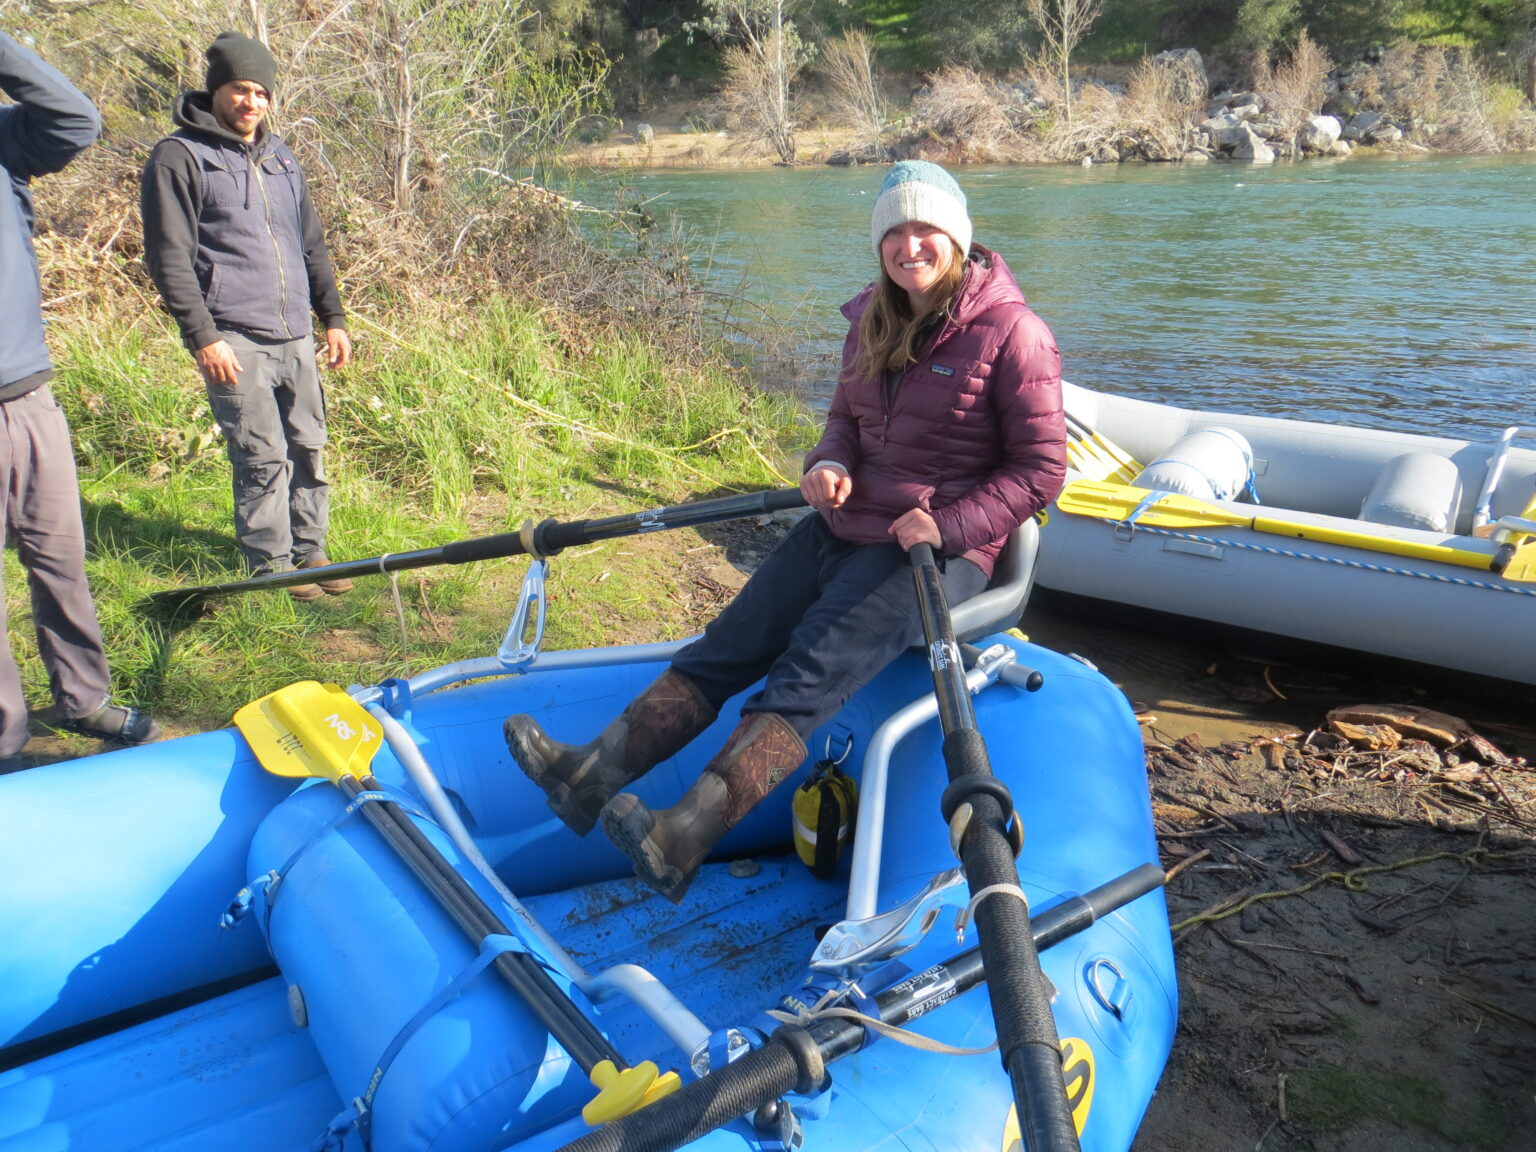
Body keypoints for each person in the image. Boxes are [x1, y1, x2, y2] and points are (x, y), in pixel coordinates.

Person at [505, 162, 1068, 903]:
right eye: (893, 231)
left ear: (957, 237)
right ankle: (587, 778)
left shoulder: (1014, 332)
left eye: (925, 228)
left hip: (935, 552)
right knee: (725, 647)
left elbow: (1042, 470)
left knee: (805, 674)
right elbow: (843, 422)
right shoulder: (872, 317)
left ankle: (683, 836)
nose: (909, 245)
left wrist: (950, 522)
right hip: (845, 522)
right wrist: (827, 461)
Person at [141, 32, 352, 602]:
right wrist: (203, 337)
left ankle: (312, 553)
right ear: (216, 91)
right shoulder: (178, 157)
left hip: (296, 334)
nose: (251, 102)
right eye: (240, 89)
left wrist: (332, 317)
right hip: (233, 337)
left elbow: (312, 246)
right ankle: (272, 566)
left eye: (260, 92)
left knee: (308, 447)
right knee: (261, 455)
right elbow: (168, 259)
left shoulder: (282, 158)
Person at [0, 32, 162, 758]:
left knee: (60, 560)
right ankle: (4, 738)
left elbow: (75, 119)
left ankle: (82, 700)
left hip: (28, 399)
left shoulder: (4, 142)